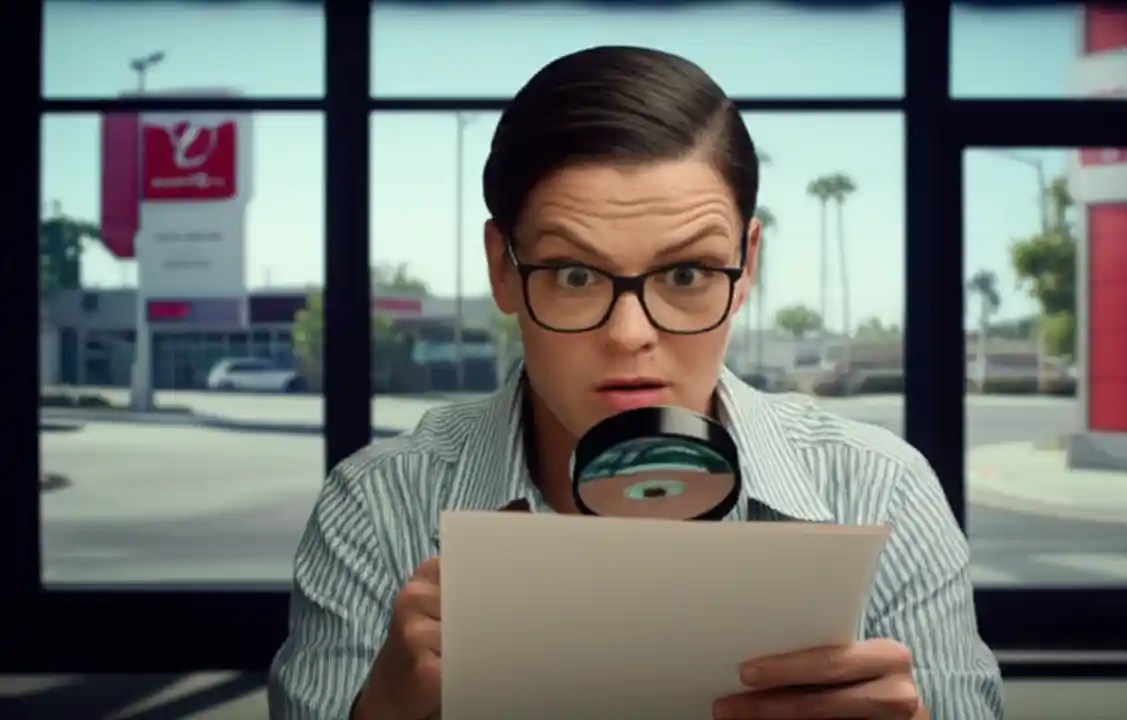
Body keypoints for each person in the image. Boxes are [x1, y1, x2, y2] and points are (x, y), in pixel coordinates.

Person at [268, 45, 1005, 720]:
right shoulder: (375, 506)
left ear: (747, 266)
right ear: (503, 269)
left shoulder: (880, 489)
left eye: (686, 274)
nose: (629, 335)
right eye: (575, 274)